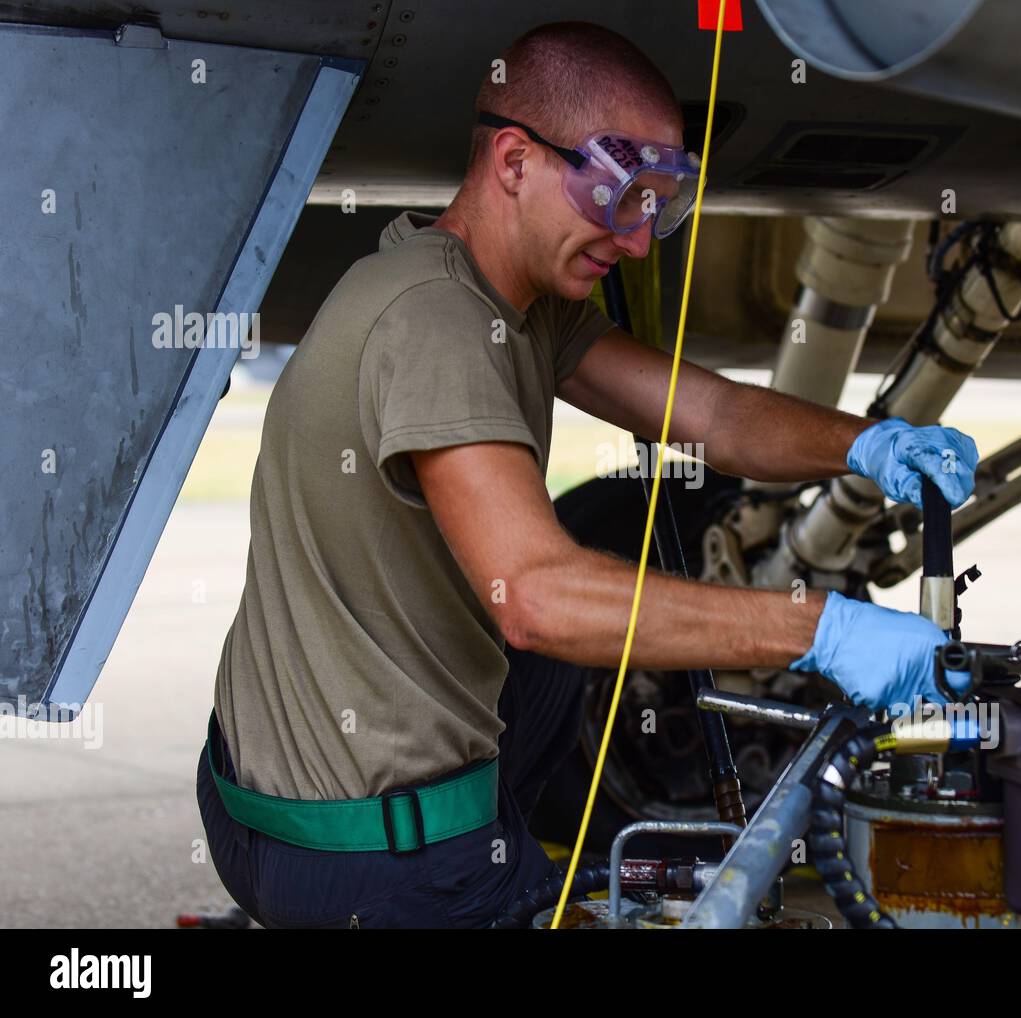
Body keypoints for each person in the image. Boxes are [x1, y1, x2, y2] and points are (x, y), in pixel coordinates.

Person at [196, 20, 978, 929]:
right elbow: (536, 595)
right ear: (516, 160)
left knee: (556, 672)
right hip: (361, 854)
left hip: (269, 793)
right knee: (566, 621)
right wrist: (821, 629)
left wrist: (873, 444)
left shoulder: (502, 299)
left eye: (660, 204)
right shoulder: (436, 324)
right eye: (618, 195)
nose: (640, 241)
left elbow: (715, 416)